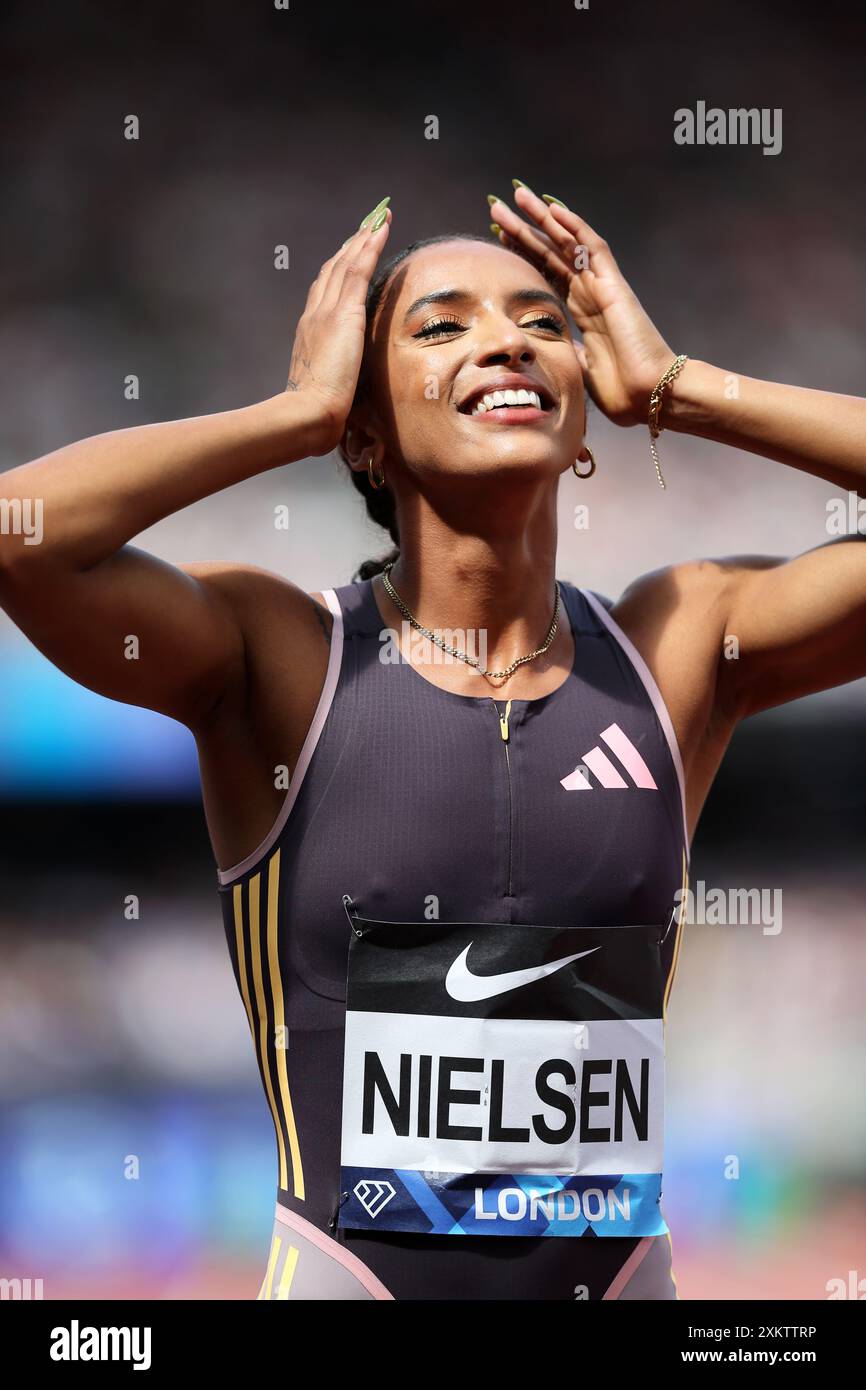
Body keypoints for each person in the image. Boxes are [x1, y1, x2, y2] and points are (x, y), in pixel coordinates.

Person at [1, 183, 864, 1301]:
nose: (504, 340)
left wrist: (676, 389)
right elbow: (23, 540)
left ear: (584, 422)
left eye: (541, 321)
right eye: (441, 324)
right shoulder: (283, 658)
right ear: (364, 435)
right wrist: (289, 415)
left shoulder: (677, 647)